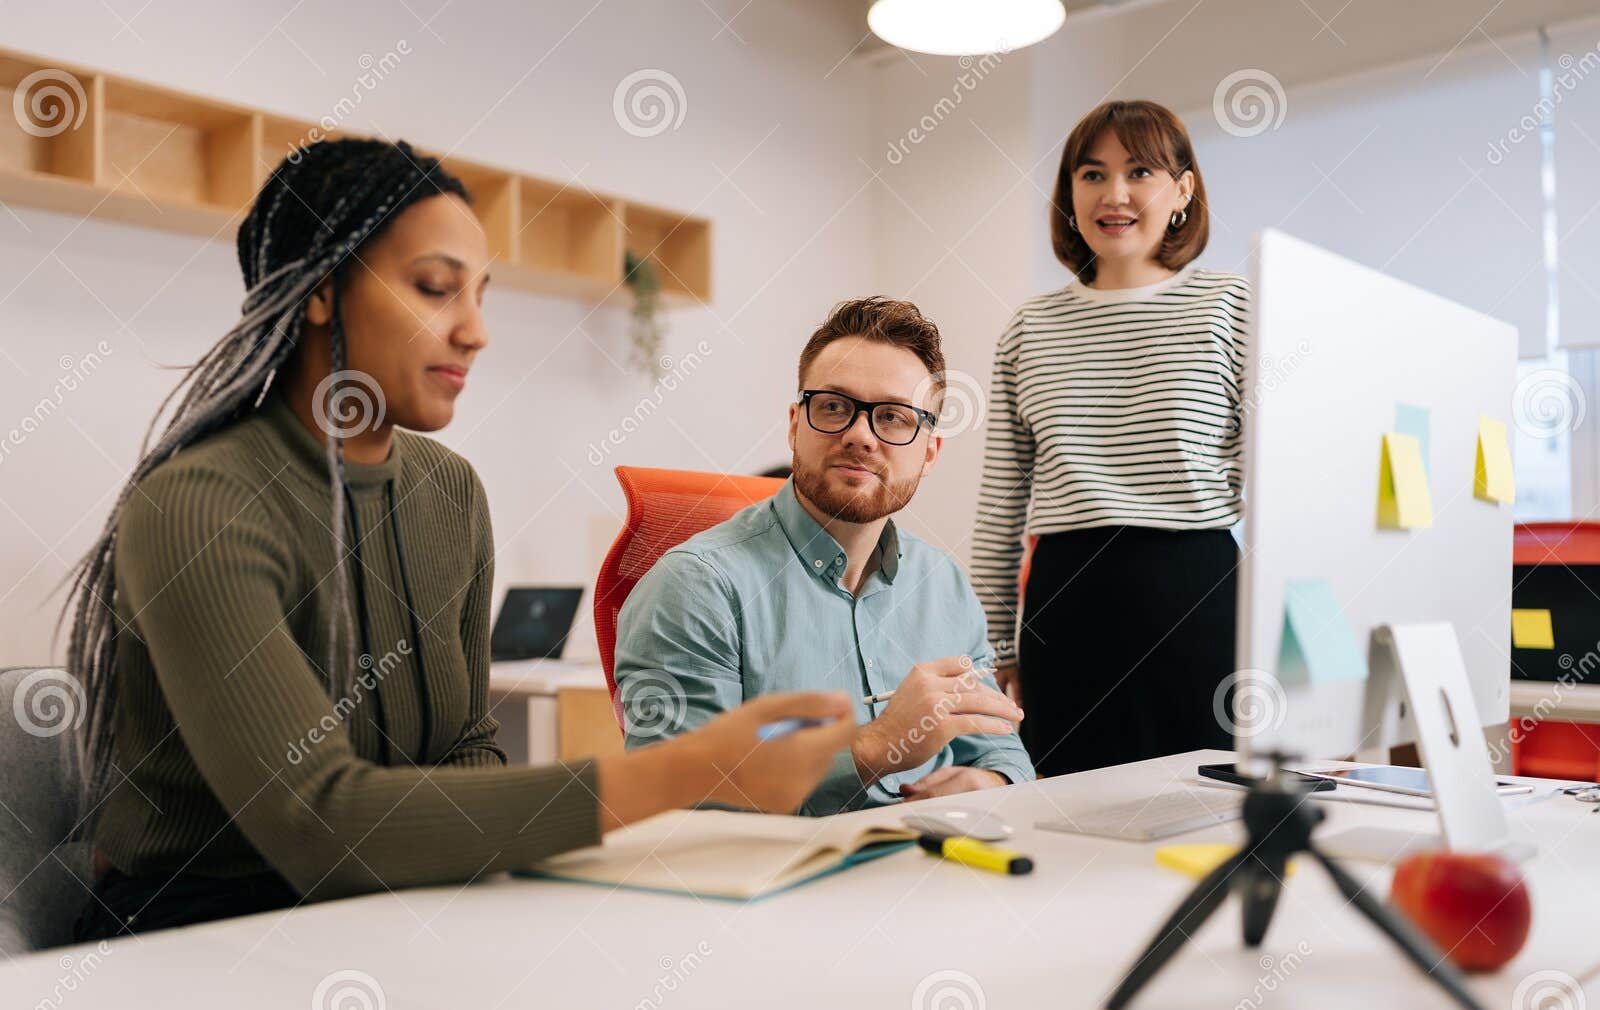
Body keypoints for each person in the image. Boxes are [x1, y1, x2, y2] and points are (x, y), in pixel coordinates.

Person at [61, 137, 855, 938]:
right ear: (322, 292)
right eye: (436, 289)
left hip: (393, 906)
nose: (475, 331)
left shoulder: (449, 491)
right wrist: (689, 770)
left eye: (480, 295)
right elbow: (316, 822)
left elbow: (467, 745)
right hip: (199, 934)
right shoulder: (199, 505)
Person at [614, 297, 1033, 814]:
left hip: (931, 857)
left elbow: (1000, 746)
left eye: (893, 417)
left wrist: (990, 780)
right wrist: (874, 748)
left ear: (929, 452)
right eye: (834, 407)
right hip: (779, 867)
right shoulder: (695, 586)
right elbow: (674, 801)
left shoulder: (944, 584)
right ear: (795, 425)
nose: (860, 436)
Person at [971, 100, 1250, 776]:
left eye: (1140, 172)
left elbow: (1287, 484)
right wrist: (993, 649)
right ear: (1070, 193)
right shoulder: (1029, 328)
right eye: (1092, 174)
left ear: (1182, 191)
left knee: (1209, 803)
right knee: (1067, 809)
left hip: (1198, 593)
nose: (1114, 194)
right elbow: (1000, 507)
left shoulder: (1231, 306)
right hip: (1067, 603)